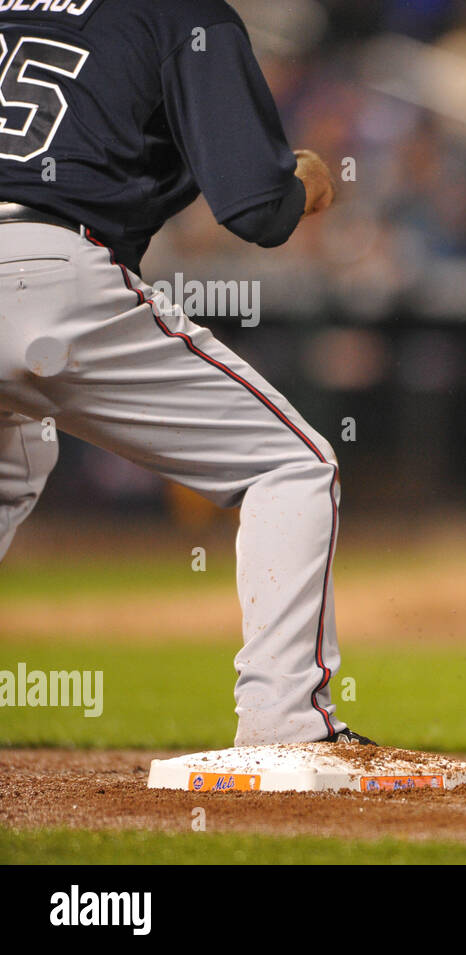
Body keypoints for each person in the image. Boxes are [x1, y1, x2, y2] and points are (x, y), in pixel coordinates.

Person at [0, 0, 369, 746]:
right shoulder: (182, 12)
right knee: (292, 466)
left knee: (16, 459)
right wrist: (305, 182)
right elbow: (257, 208)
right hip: (48, 268)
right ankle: (285, 725)